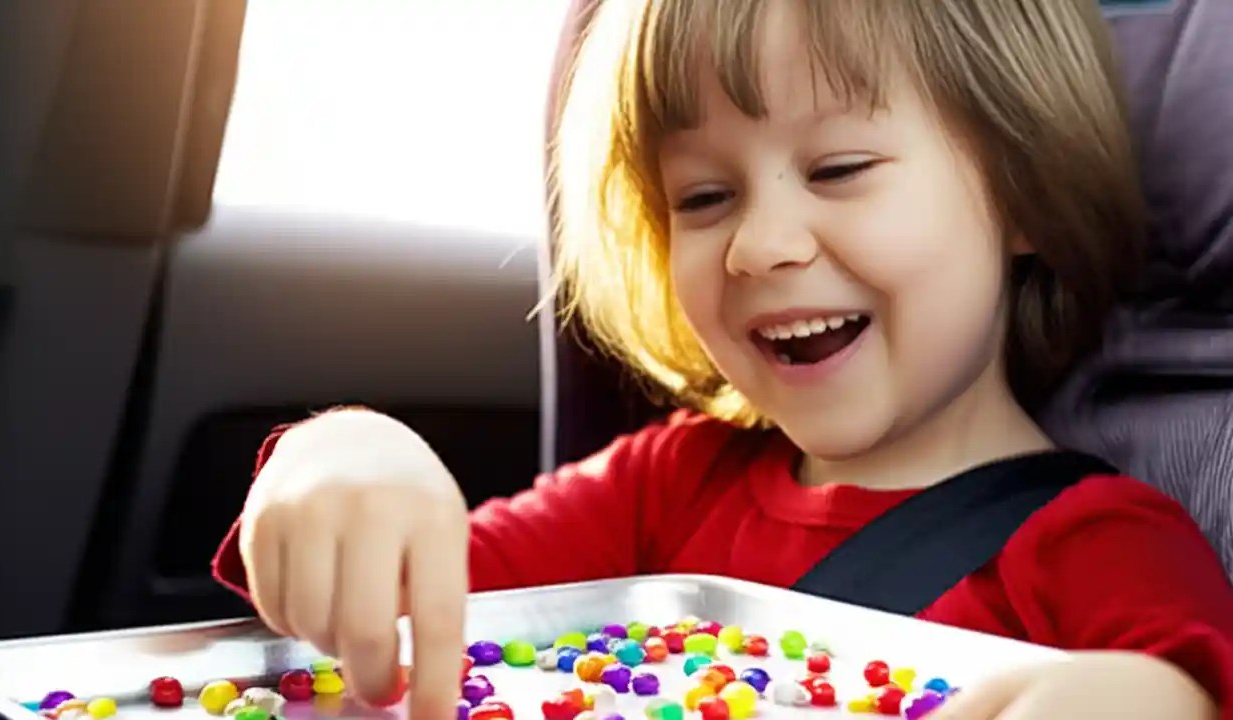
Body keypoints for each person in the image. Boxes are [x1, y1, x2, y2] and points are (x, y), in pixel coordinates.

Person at [211, 0, 1233, 717]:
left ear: (1021, 192)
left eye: (837, 169)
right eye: (702, 198)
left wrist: (1152, 699)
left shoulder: (1096, 540)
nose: (758, 245)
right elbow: (393, 620)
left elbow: (1188, 683)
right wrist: (339, 458)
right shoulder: (663, 488)